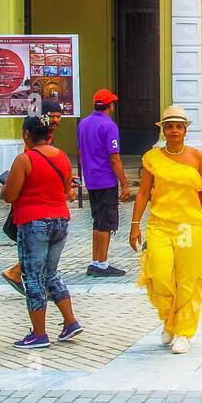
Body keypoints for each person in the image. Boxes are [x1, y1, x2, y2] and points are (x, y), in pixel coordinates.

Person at [130, 106, 202, 355]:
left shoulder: (199, 158)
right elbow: (144, 193)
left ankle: (184, 332)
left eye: (178, 126)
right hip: (160, 225)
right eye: (169, 126)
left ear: (185, 130)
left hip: (190, 225)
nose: (174, 130)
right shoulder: (152, 158)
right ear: (163, 130)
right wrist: (135, 225)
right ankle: (170, 320)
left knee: (187, 280)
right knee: (159, 274)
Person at [2, 114, 82, 348]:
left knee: (33, 278)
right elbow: (66, 188)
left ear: (26, 134)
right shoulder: (63, 157)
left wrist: (5, 188)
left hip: (33, 221)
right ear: (48, 134)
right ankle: (70, 322)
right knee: (51, 273)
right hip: (60, 219)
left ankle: (39, 334)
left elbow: (10, 195)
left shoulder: (24, 160)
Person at [77, 89, 131, 277]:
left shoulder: (83, 124)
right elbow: (114, 158)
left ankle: (95, 260)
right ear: (110, 106)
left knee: (97, 221)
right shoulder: (109, 126)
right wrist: (124, 183)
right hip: (106, 179)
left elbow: (81, 151)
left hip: (91, 179)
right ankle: (102, 264)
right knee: (106, 223)